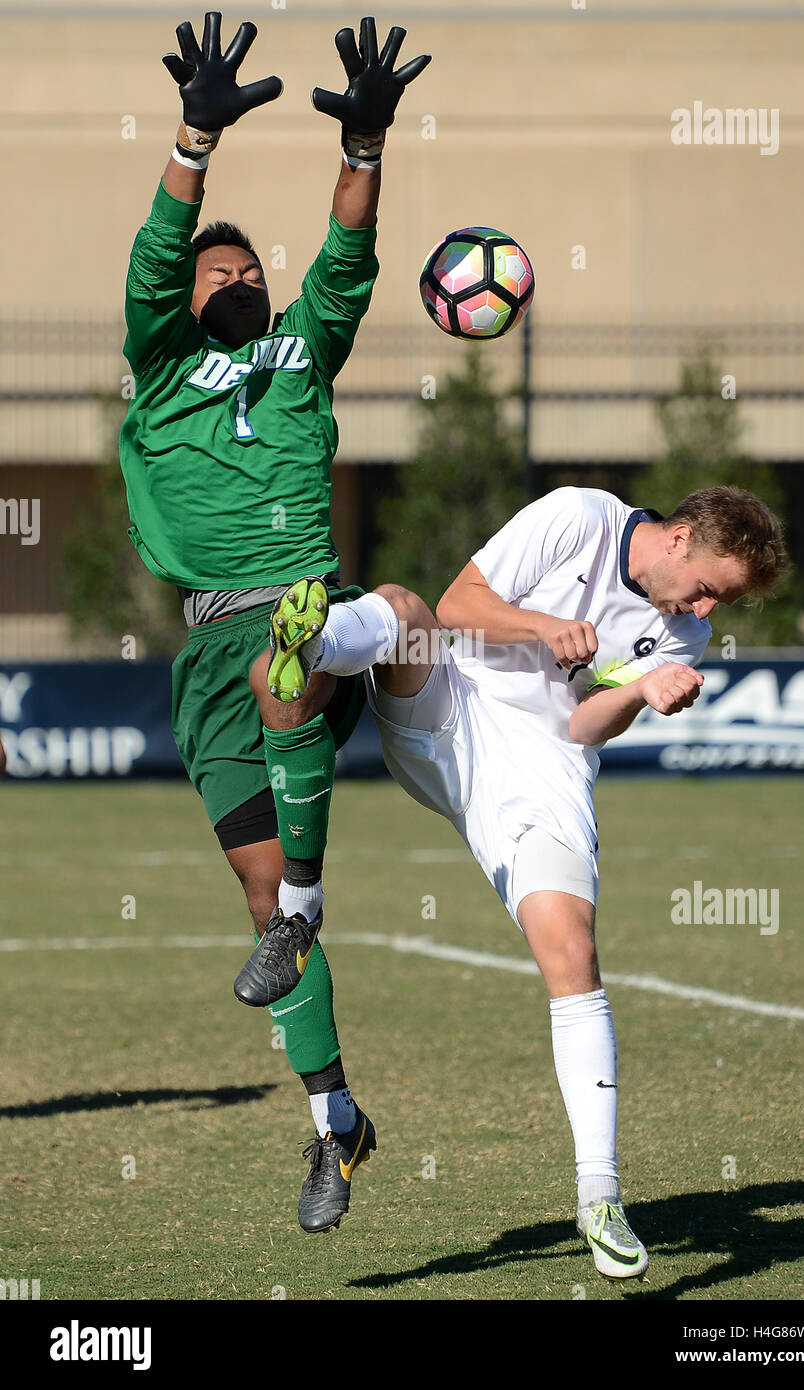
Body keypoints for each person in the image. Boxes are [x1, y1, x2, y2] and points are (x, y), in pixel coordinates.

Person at [237, 483, 786, 1277]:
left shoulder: (683, 637)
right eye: (707, 589)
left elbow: (581, 725)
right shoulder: (580, 517)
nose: (704, 612)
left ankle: (599, 1196)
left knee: (573, 954)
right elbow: (463, 602)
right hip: (449, 710)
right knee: (405, 607)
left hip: (543, 769)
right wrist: (543, 626)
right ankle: (312, 648)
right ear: (680, 537)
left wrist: (637, 690)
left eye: (719, 603)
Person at [119, 10, 429, 1234]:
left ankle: (304, 900)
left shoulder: (304, 348)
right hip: (207, 651)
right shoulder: (155, 363)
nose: (238, 277)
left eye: (251, 267)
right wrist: (194, 137)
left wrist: (362, 140)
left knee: (292, 656)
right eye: (220, 270)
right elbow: (156, 251)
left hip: (307, 609)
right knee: (262, 912)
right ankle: (337, 1127)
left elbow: (346, 255)